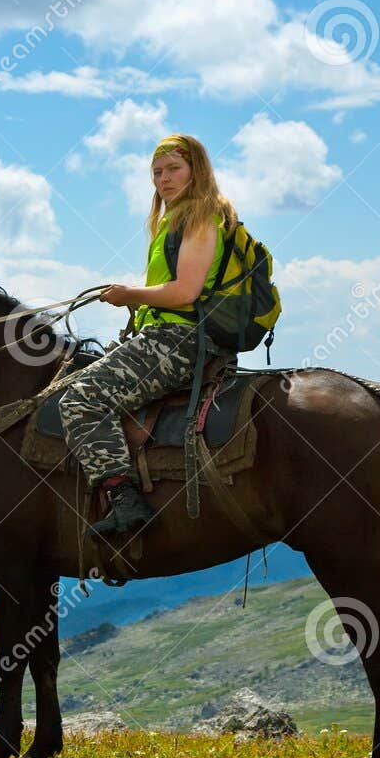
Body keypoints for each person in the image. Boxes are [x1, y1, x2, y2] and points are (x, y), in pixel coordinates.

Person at [59, 132, 239, 538]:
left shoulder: (199, 216)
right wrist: (137, 301)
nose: (164, 179)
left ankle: (124, 499)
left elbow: (185, 292)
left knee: (80, 400)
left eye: (174, 168)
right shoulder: (173, 221)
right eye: (157, 172)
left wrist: (129, 294)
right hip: (169, 334)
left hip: (176, 342)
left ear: (197, 170)